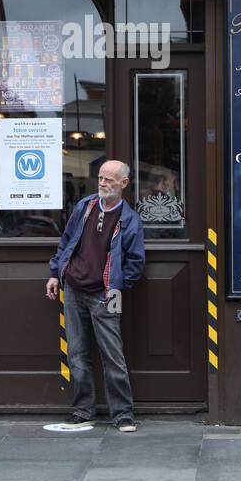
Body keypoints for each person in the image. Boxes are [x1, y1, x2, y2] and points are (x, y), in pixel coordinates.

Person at [46, 160, 146, 432]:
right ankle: (83, 411)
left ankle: (123, 415)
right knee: (77, 354)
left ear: (123, 183)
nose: (102, 183)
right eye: (101, 178)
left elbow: (135, 264)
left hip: (106, 295)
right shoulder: (85, 206)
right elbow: (66, 241)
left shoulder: (129, 220)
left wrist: (114, 287)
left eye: (109, 180)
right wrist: (55, 272)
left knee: (113, 356)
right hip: (74, 290)